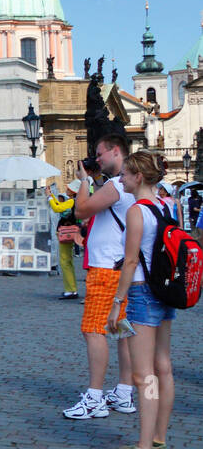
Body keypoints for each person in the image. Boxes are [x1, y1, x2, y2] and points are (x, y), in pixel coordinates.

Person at [104, 152, 175, 449]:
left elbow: (130, 262)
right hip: (164, 290)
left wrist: (118, 303)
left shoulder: (136, 211)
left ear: (139, 177)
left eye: (127, 174)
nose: (121, 179)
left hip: (142, 291)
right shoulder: (166, 205)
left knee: (142, 373)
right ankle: (157, 440)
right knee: (163, 367)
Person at [64, 133, 136, 420]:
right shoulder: (134, 183)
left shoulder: (118, 185)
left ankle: (94, 397)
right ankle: (124, 392)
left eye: (100, 154)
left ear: (115, 151)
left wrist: (83, 180)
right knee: (122, 332)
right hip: (124, 268)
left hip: (106, 268)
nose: (97, 159)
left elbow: (81, 210)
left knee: (94, 330)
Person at [47, 181, 81, 300]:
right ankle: (71, 289)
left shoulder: (72, 201)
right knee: (67, 261)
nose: (67, 189)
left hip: (66, 232)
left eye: (69, 188)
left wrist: (49, 199)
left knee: (65, 261)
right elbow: (60, 206)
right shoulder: (73, 201)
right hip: (69, 231)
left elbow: (57, 208)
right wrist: (51, 196)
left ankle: (70, 290)